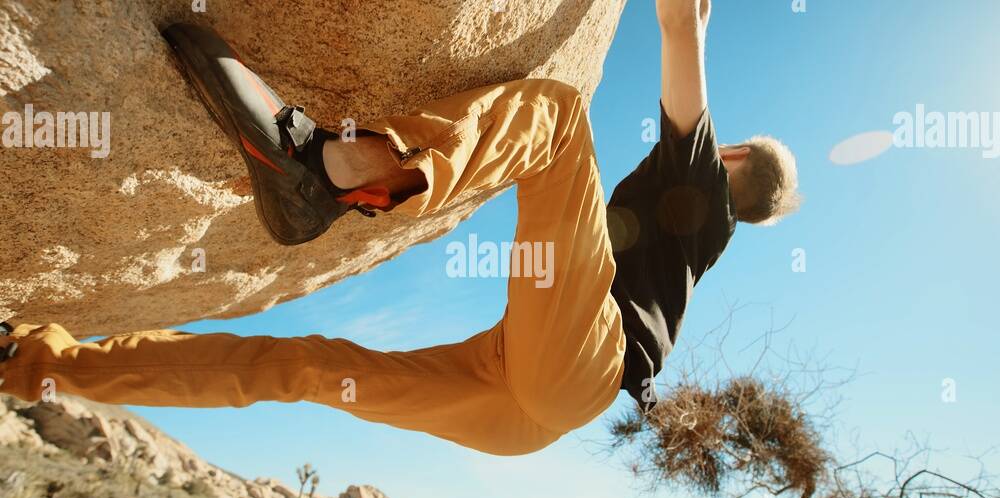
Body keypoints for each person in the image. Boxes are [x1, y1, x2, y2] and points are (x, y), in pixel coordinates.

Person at [0, 0, 799, 455]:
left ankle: (338, 168)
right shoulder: (704, 229)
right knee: (308, 368)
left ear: (729, 151)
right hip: (527, 403)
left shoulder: (701, 178)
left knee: (558, 117)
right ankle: (31, 363)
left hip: (580, 366)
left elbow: (681, 26)